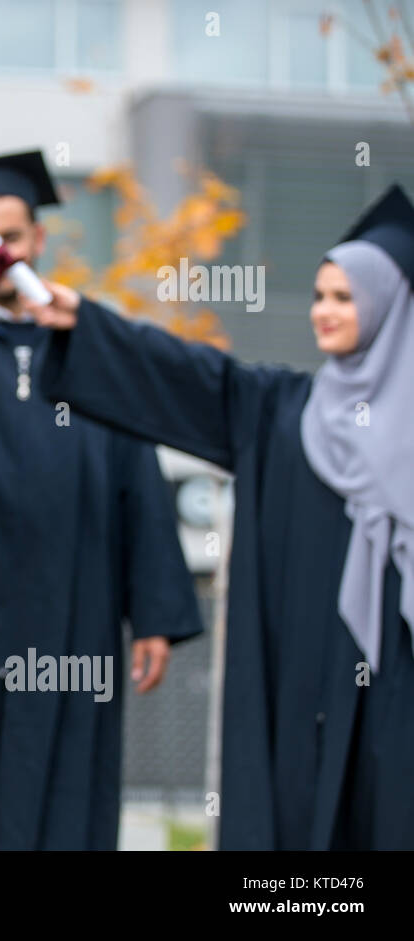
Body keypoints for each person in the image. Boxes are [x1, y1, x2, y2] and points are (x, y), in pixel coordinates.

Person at [28, 183, 414, 850]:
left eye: (344, 298)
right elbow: (190, 374)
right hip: (297, 677)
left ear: (390, 307)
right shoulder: (283, 409)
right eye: (319, 295)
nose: (323, 312)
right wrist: (89, 324)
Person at [0, 150, 202, 850]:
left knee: (62, 783)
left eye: (11, 238)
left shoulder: (87, 336)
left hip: (73, 605)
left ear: (38, 241)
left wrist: (152, 610)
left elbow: (137, 472)